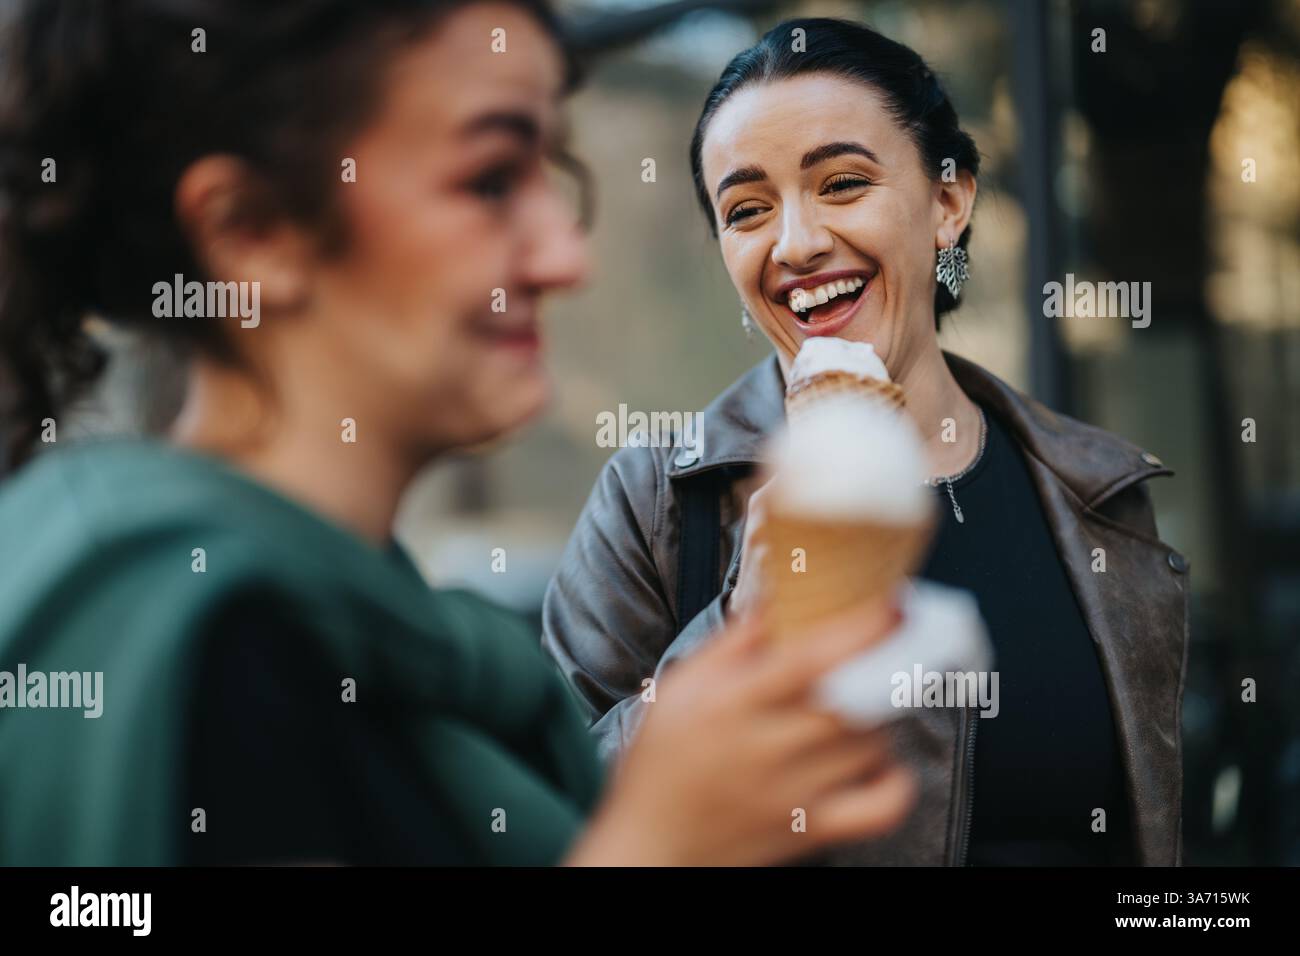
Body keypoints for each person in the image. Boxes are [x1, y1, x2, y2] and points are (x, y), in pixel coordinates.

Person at [0, 0, 917, 866]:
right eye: (489, 180)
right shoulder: (211, 644)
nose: (567, 255)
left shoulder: (394, 638)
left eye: (553, 175)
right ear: (253, 233)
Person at [542, 17, 1190, 866]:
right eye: (747, 209)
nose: (799, 243)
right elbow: (556, 818)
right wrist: (744, 618)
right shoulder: (657, 504)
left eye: (843, 184)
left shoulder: (1096, 494)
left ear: (947, 203)